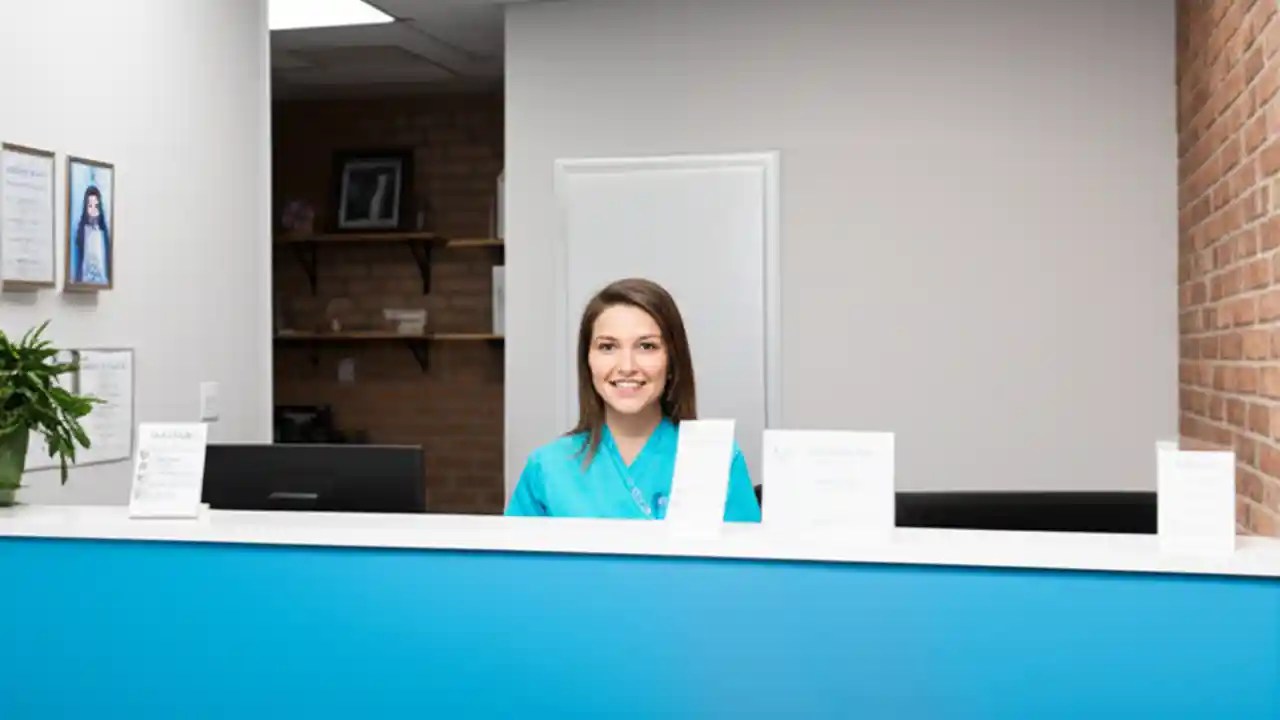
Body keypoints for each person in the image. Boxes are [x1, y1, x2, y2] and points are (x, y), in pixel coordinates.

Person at [505, 277, 761, 522]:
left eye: (646, 346)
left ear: (672, 360)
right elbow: (513, 554)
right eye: (608, 347)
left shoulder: (715, 460)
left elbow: (747, 553)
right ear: (588, 361)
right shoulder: (548, 468)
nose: (627, 366)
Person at [72, 185, 110, 285]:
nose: (93, 210)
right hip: (85, 281)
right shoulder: (81, 231)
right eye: (90, 206)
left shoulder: (103, 233)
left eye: (96, 206)